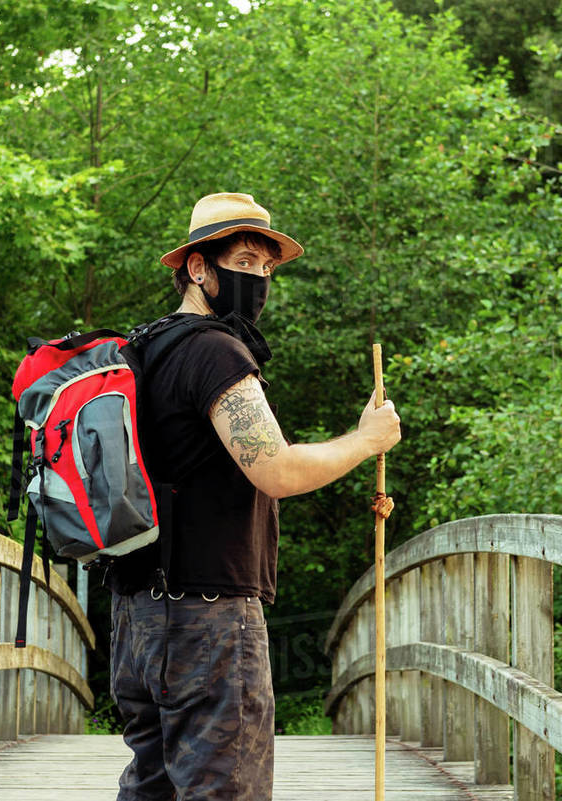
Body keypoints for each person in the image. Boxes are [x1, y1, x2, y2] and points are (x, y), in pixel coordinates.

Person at [105, 192, 401, 800]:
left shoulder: (143, 349)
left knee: (153, 789)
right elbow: (277, 471)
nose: (258, 279)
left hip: (137, 617)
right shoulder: (215, 351)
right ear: (197, 267)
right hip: (208, 620)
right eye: (243, 261)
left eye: (267, 268)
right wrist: (367, 441)